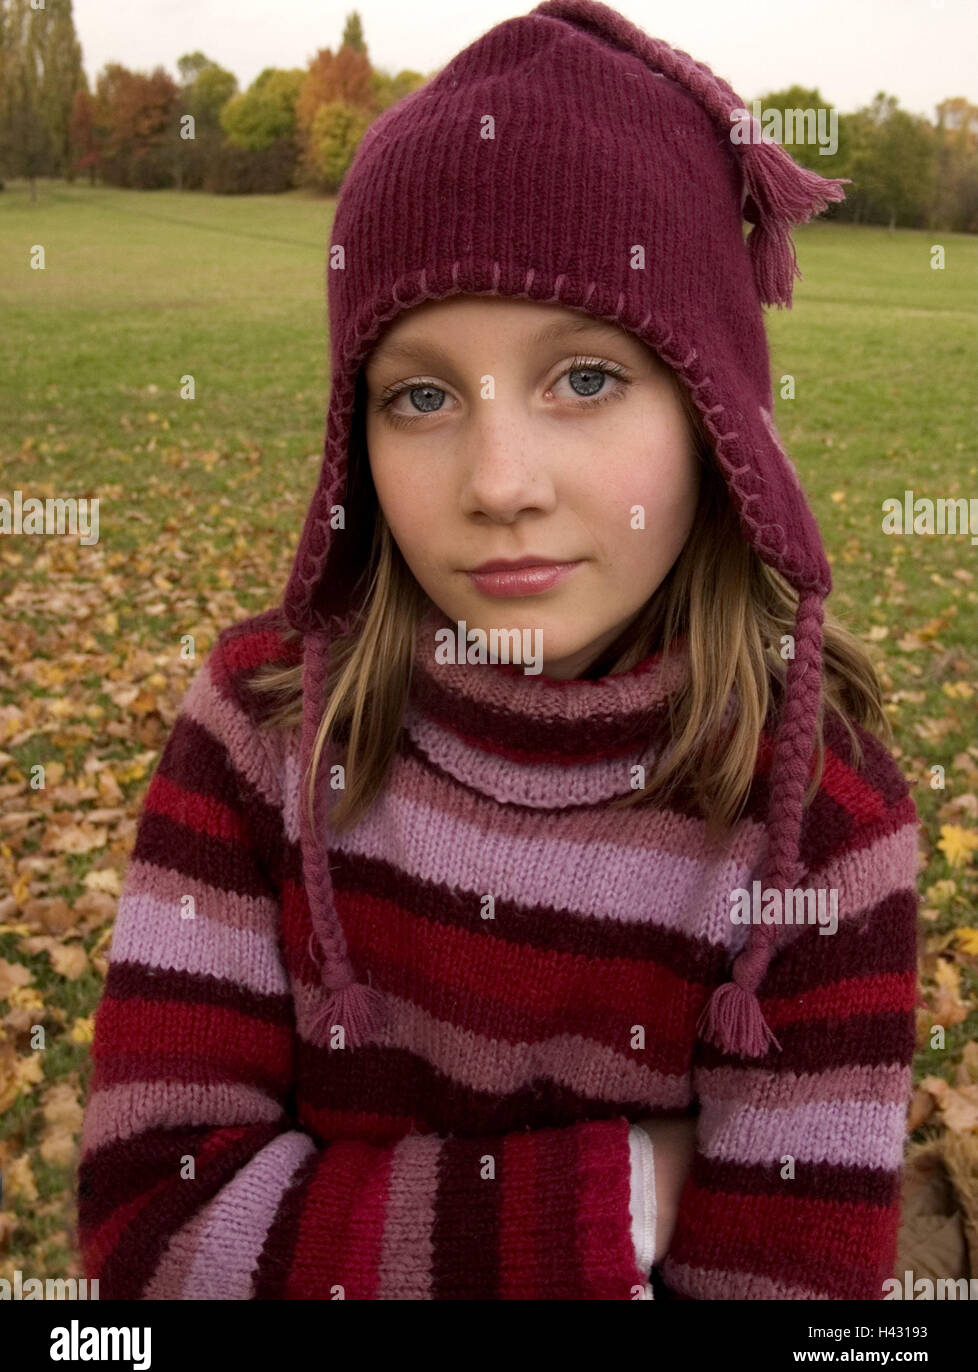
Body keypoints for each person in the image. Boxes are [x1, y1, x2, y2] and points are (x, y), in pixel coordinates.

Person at [76, 0, 920, 1300]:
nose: (497, 482)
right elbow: (153, 1242)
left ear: (714, 414)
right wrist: (627, 1191)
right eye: (420, 394)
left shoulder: (815, 825)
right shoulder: (261, 731)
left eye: (583, 378)